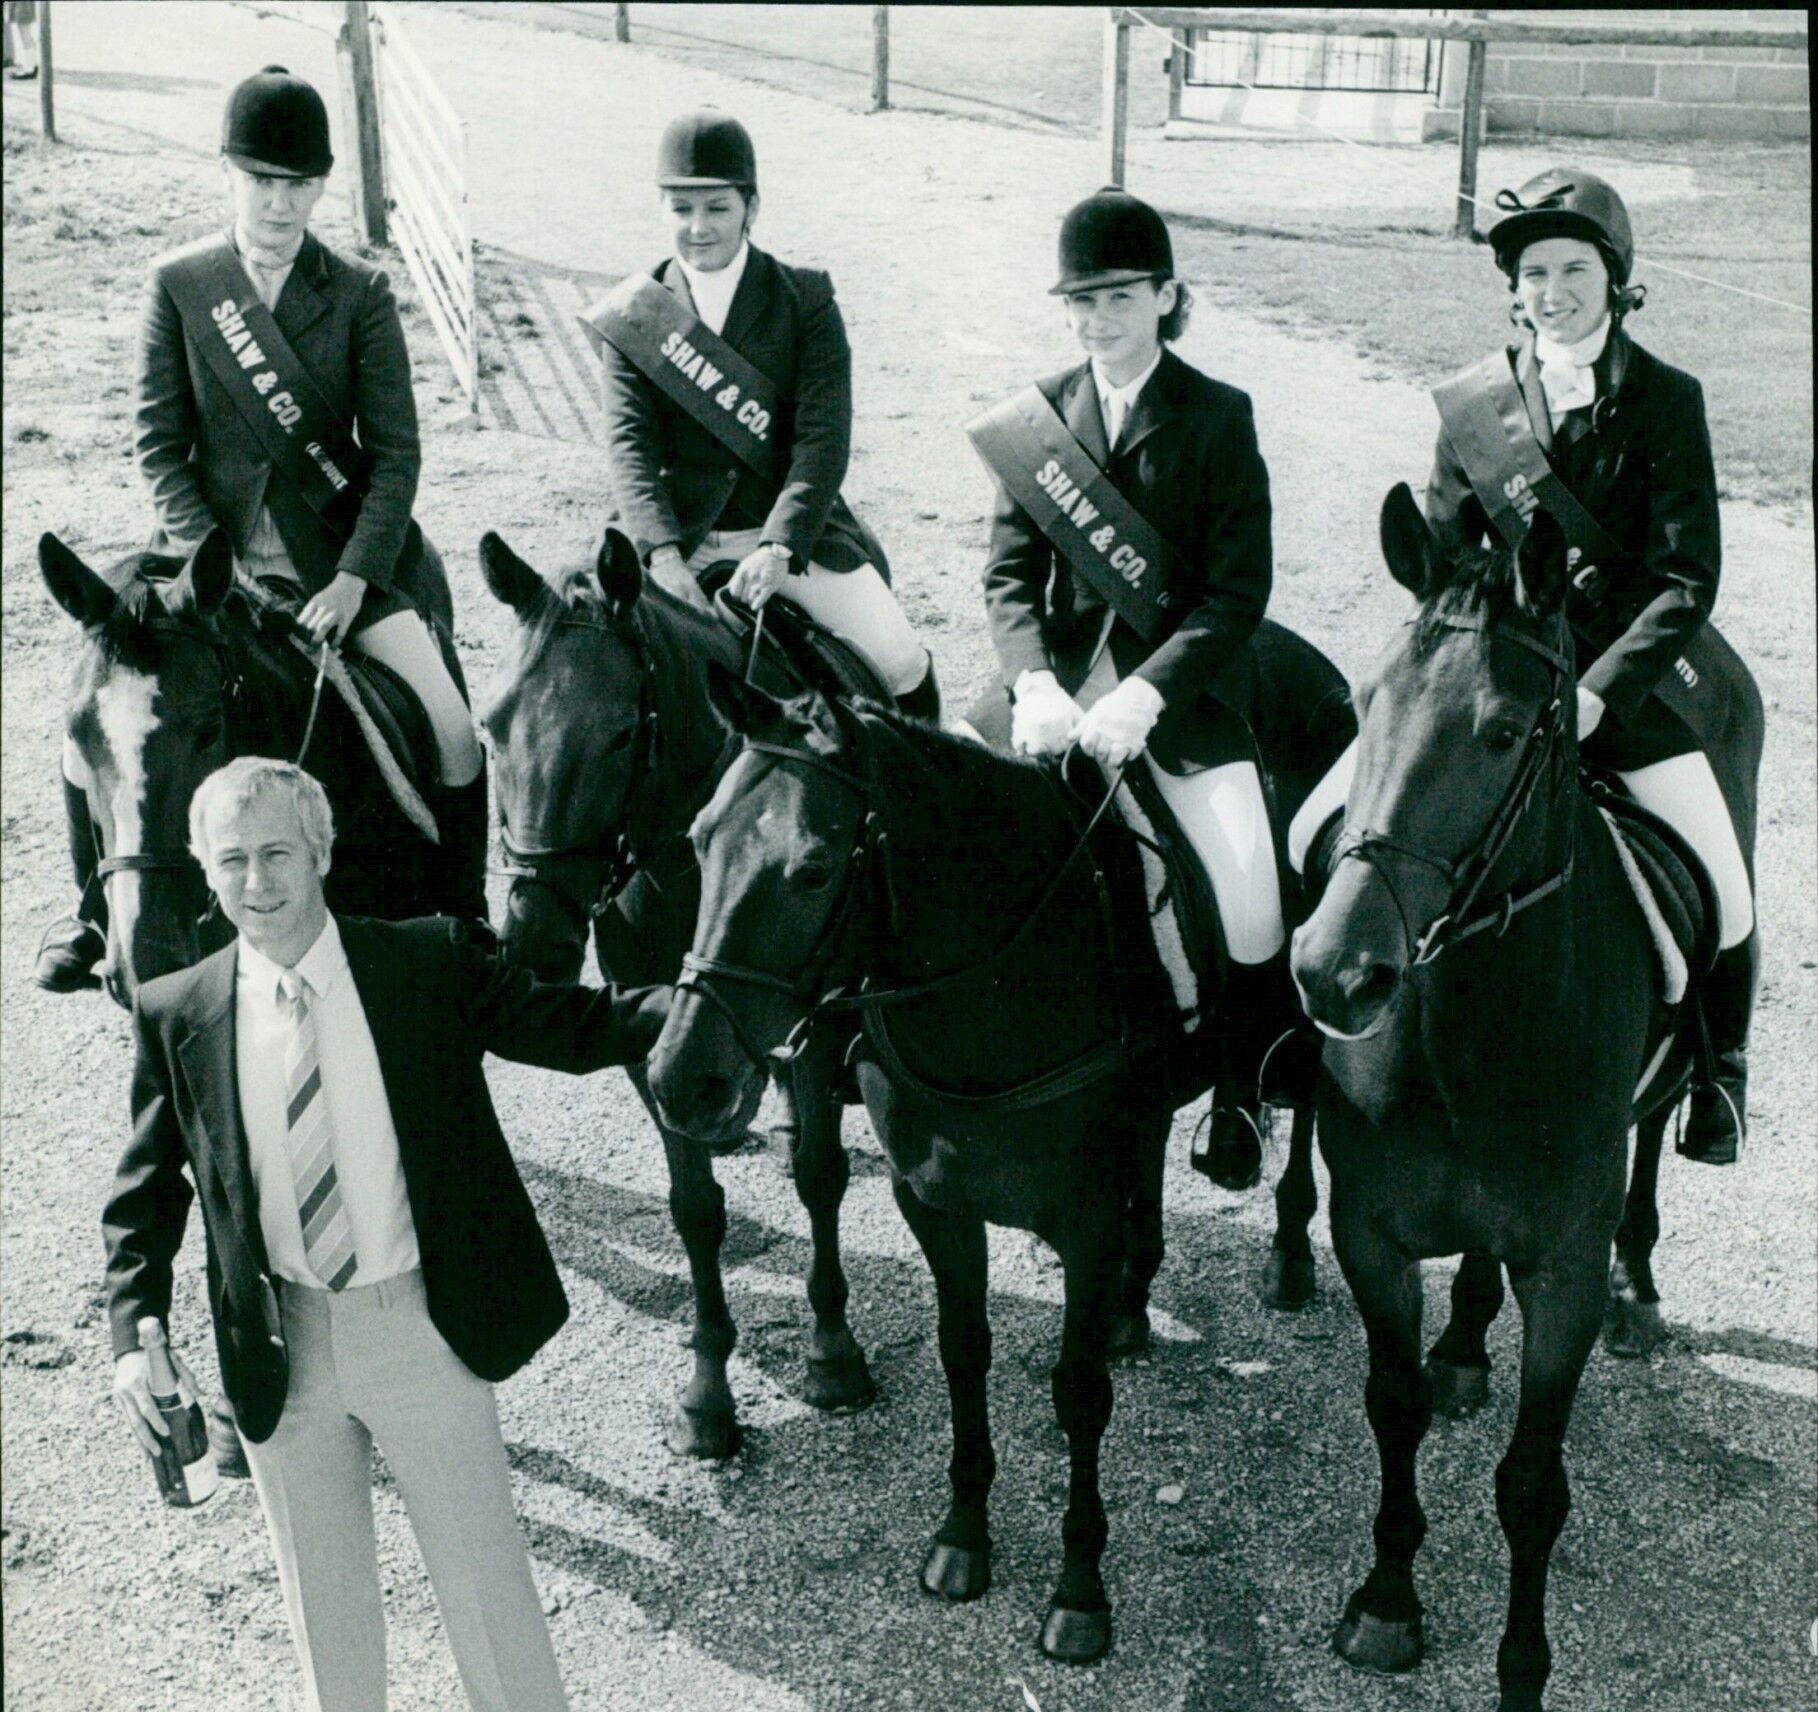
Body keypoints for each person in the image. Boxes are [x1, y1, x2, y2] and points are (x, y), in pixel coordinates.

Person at [104, 757, 668, 1712]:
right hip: (280, 1335)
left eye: (276, 852)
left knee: (482, 1565)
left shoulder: (423, 959)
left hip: (419, 1317)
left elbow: (576, 1024)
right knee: (316, 1571)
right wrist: (134, 1328)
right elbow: (144, 1186)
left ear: (320, 851)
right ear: (208, 880)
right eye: (233, 861)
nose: (257, 881)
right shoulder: (178, 1009)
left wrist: (722, 995)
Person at [1295, 166, 1759, 1163]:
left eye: (1574, 268)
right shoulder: (1474, 405)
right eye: (1536, 271)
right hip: (1494, 680)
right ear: (1515, 286)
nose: (1553, 289)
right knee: (1317, 832)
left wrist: (1600, 692)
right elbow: (1445, 554)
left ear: (1614, 277)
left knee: (1727, 885)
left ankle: (1717, 1074)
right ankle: (1305, 1045)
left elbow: (1687, 576)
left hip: (1618, 690)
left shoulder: (1668, 399)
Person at [36, 64, 486, 994]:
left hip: (340, 573)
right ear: (229, 177)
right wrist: (216, 565)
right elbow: (159, 443)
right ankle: (89, 910)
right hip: (209, 572)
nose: (279, 204)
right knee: (94, 724)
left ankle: (469, 912)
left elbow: (395, 457)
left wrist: (355, 580)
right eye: (261, 181)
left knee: (452, 731)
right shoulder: (181, 285)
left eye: (298, 184)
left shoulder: (360, 293)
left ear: (321, 186)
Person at [975, 188, 1292, 1189]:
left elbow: (1237, 591)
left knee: (1248, 885)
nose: (1097, 319)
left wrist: (1148, 692)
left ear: (1165, 296)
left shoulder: (1218, 414)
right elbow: (1008, 574)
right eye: (1081, 300)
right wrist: (1029, 680)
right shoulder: (1040, 416)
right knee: (933, 824)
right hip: (1055, 688)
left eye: (1117, 297)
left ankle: (1244, 1086)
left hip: (1181, 698)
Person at [592, 109, 939, 719]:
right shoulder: (632, 317)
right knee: (579, 664)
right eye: (680, 209)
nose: (698, 228)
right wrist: (664, 558)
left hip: (783, 533)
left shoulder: (806, 301)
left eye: (717, 208)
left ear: (752, 207)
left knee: (899, 659)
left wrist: (780, 547)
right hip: (673, 538)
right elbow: (629, 448)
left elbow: (822, 441)